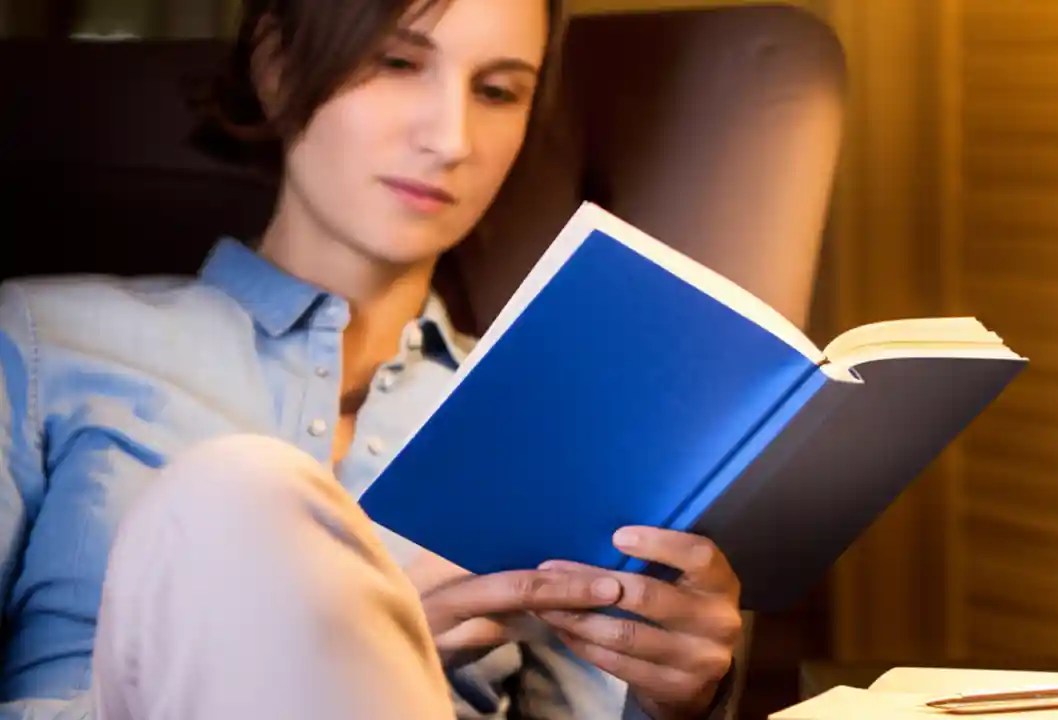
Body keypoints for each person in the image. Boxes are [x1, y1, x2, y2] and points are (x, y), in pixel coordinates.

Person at [0, 0, 744, 718]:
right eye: (397, 62)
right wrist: (360, 637)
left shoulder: (557, 434)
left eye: (496, 91)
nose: (451, 139)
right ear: (276, 64)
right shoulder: (42, 340)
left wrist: (673, 702)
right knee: (235, 489)